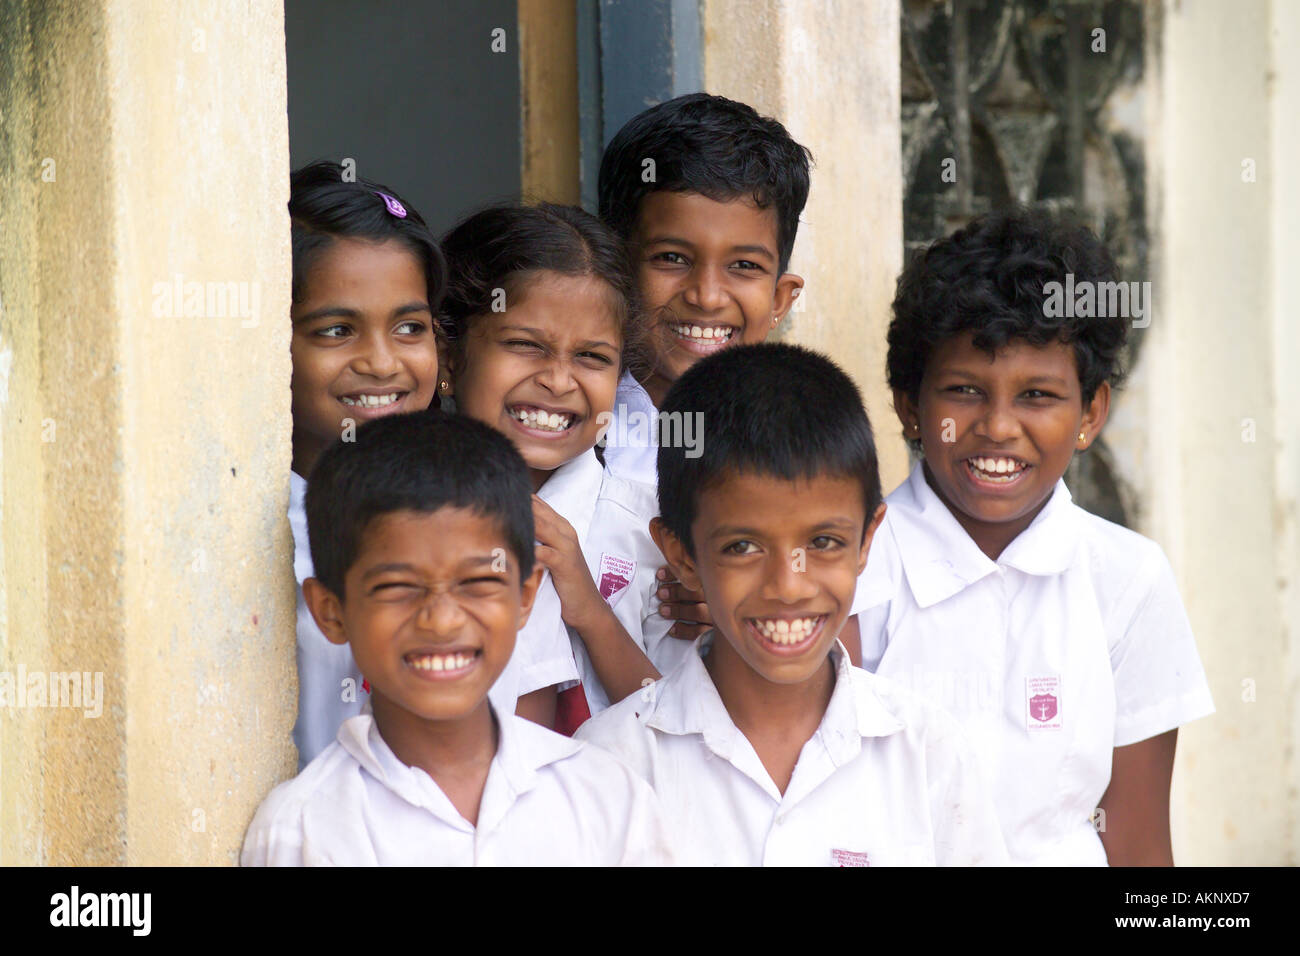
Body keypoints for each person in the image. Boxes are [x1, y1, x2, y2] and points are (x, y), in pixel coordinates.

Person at [851, 207, 1215, 865]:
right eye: (963, 390)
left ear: (1090, 412)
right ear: (910, 406)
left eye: (1037, 396)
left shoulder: (1127, 578)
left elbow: (1135, 844)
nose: (997, 425)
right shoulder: (853, 563)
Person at [576, 343, 1008, 866]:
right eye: (743, 547)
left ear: (868, 541)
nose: (788, 585)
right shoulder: (610, 764)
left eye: (824, 542)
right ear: (682, 555)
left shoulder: (926, 754)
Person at [241, 412, 674, 865]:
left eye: (477, 582)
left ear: (524, 596)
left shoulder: (607, 798)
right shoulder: (302, 832)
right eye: (396, 587)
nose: (442, 621)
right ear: (331, 611)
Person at [596, 92, 817, 671]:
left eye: (743, 266)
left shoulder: (802, 453)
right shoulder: (562, 426)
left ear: (779, 298)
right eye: (671, 257)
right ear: (614, 271)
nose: (707, 296)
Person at [438, 203, 659, 726]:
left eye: (592, 357)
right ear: (450, 359)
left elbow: (673, 723)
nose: (559, 381)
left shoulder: (653, 536)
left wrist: (591, 612)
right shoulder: (399, 517)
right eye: (524, 345)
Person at [287, 160, 445, 767]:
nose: (382, 363)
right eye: (336, 331)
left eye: (410, 326)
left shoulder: (464, 510)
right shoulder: (250, 528)